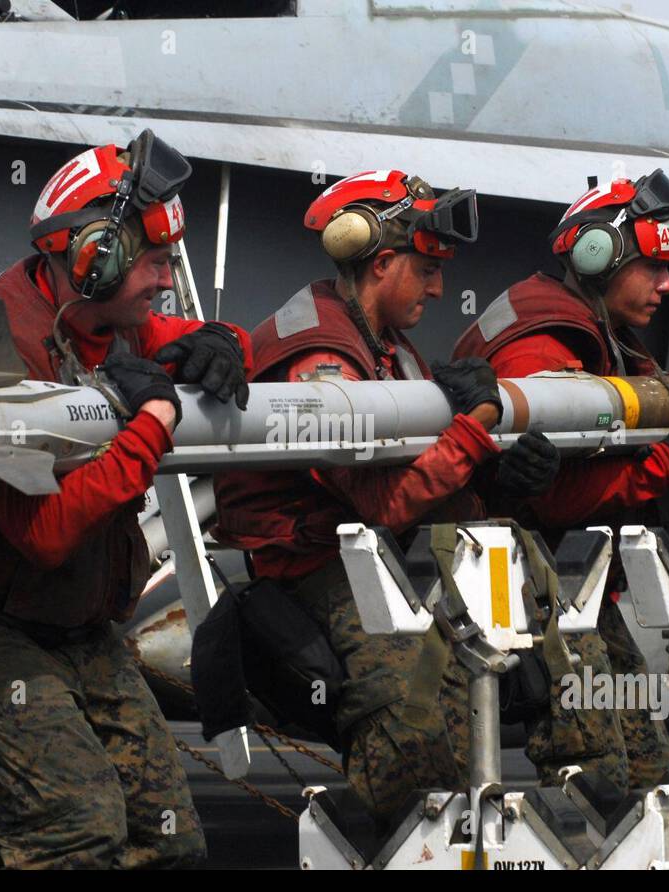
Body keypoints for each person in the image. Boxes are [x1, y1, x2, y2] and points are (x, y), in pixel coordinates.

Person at [0, 130, 253, 868]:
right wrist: (152, 427)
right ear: (93, 259)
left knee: (170, 839)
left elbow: (187, 340)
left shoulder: (108, 324)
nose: (161, 282)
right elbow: (46, 533)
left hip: (71, 620)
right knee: (77, 829)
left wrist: (222, 341)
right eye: (151, 264)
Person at [213, 169, 559, 825]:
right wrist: (476, 430)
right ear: (382, 262)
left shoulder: (388, 349)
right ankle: (383, 833)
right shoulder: (321, 359)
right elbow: (384, 505)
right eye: (427, 269)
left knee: (507, 667)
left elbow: (422, 479)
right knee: (413, 706)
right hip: (306, 567)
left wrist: (497, 483)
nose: (439, 287)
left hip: (367, 556)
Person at [452, 169, 669, 791]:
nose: (668, 284)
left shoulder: (591, 332)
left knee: (649, 776)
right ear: (596, 257)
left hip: (574, 591)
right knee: (599, 783)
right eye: (653, 268)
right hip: (535, 592)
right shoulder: (542, 346)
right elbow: (553, 498)